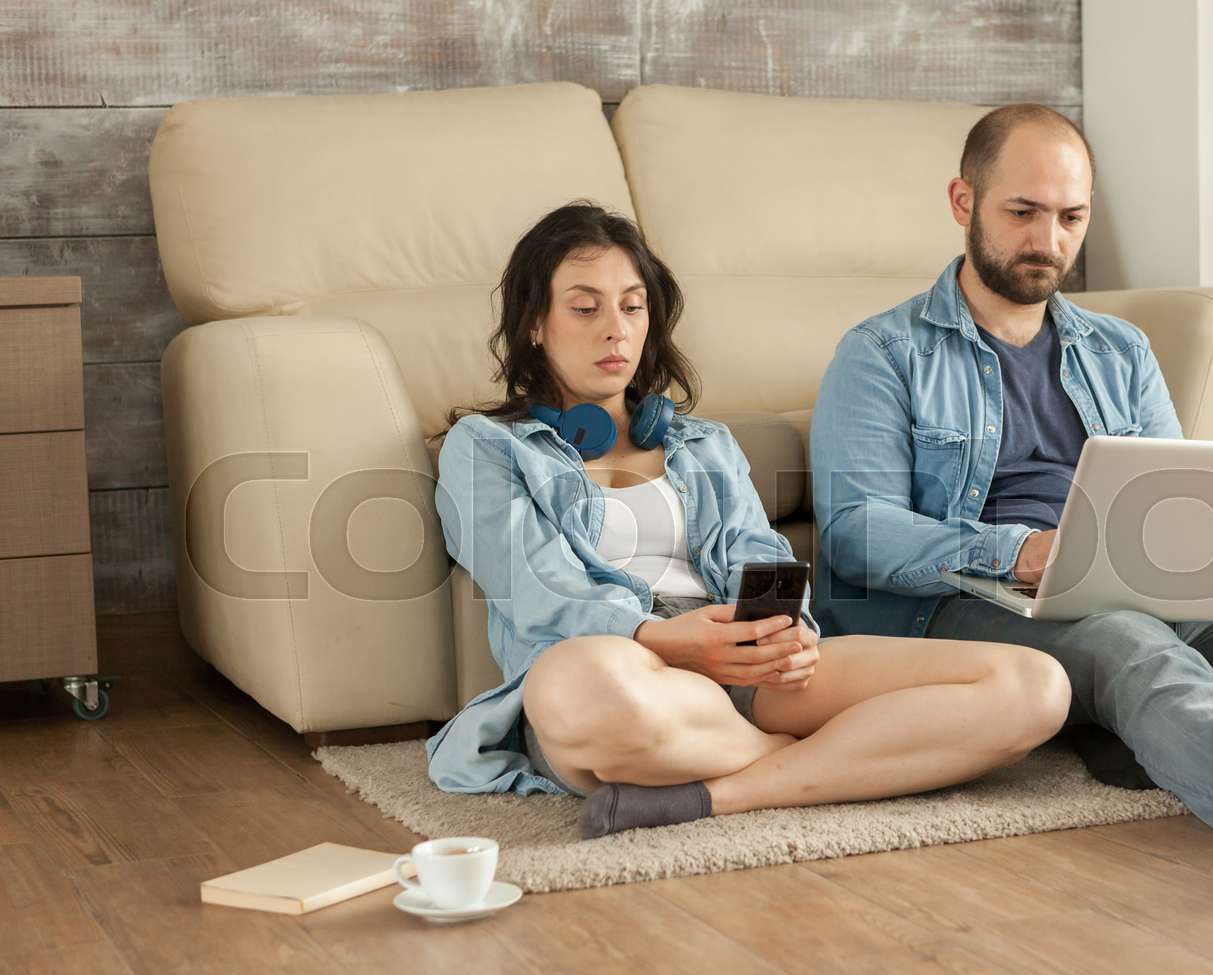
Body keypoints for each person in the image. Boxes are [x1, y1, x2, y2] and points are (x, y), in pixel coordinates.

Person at [809, 106, 1213, 871]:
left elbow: (1173, 498)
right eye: (1022, 212)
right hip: (975, 601)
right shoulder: (883, 352)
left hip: (1137, 593)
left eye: (1070, 217)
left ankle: (1147, 729)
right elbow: (855, 532)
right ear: (964, 202)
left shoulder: (1120, 350)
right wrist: (1018, 551)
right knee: (1131, 645)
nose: (1048, 242)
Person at [426, 202, 1072, 840]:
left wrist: (782, 634)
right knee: (573, 684)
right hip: (625, 672)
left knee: (1033, 685)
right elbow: (543, 595)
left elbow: (759, 557)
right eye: (585, 307)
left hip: (740, 664)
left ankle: (725, 792)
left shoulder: (703, 443)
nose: (615, 329)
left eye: (632, 305)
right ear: (535, 323)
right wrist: (666, 640)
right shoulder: (486, 446)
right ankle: (844, 756)